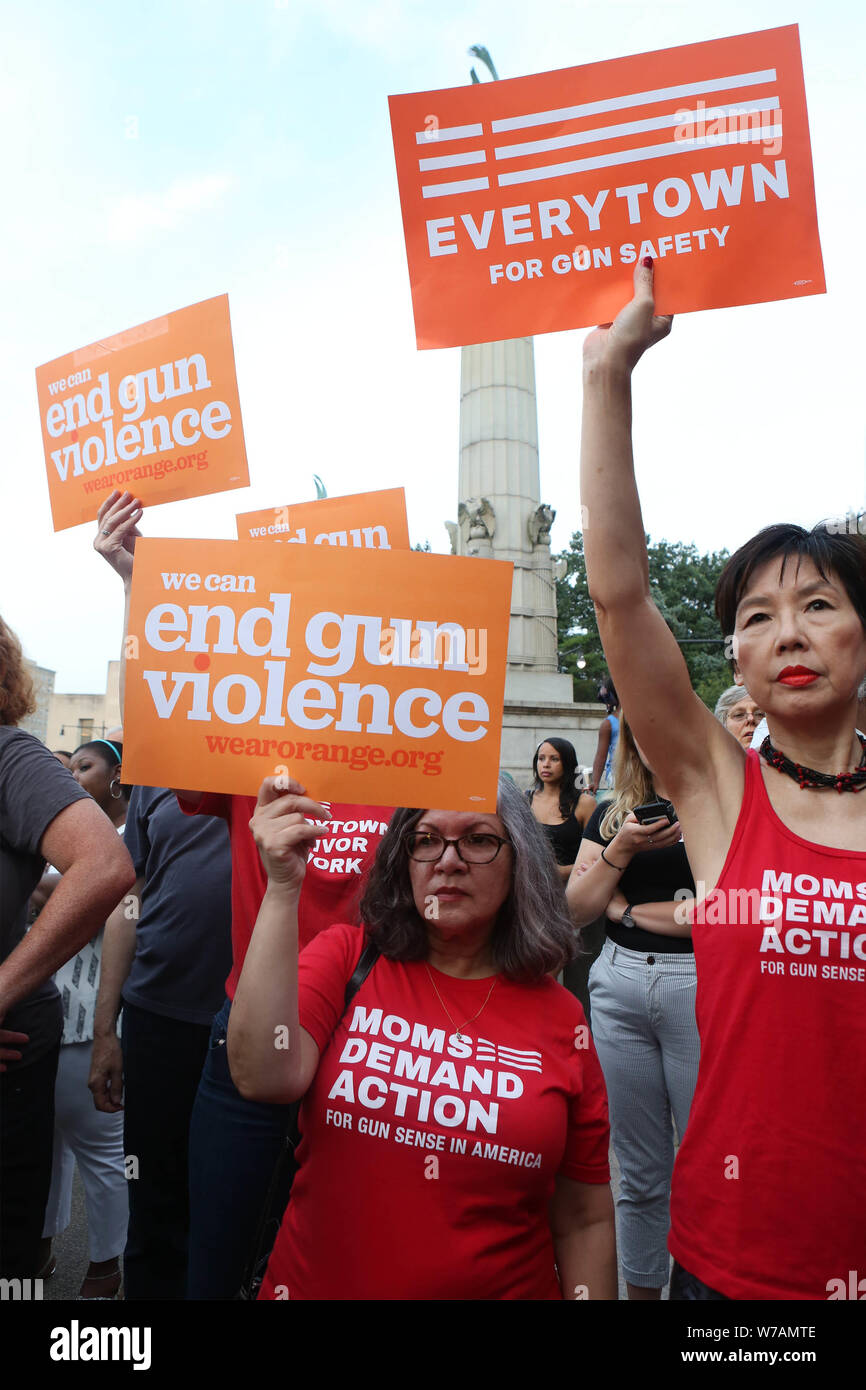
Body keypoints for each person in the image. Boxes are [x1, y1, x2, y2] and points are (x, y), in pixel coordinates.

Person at [579, 257, 866, 1300]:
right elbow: (616, 596)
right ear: (732, 661)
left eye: (819, 605)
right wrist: (608, 380)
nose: (786, 633)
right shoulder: (714, 787)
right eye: (754, 617)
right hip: (731, 1259)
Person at [93, 488, 393, 1299]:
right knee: (214, 1255)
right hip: (252, 1029)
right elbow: (161, 719)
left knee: (346, 1252)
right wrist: (138, 584)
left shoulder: (415, 754)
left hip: (377, 1038)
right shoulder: (251, 741)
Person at [227, 773, 616, 1301]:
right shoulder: (346, 957)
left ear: (519, 861)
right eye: (426, 840)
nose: (448, 860)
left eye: (479, 840)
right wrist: (281, 888)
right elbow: (260, 1075)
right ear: (402, 861)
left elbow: (584, 1219)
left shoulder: (563, 1018)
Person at [0, 617, 134, 1278]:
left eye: (86, 766)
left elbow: (108, 875)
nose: (75, 774)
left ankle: (94, 1271)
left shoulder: (10, 759)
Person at [566, 717, 697, 1300]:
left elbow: (716, 913)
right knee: (639, 1173)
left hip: (702, 985)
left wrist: (626, 909)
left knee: (706, 1162)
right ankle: (642, 1292)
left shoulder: (722, 800)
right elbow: (576, 909)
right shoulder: (614, 811)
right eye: (639, 721)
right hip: (618, 986)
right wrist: (619, 850)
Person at [88, 784, 232, 1301]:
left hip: (267, 1025)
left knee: (243, 1212)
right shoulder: (164, 764)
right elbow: (130, 896)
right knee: (154, 1204)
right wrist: (106, 1031)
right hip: (159, 1019)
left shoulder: (311, 755)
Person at [39, 740, 131, 1298]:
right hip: (45, 1012)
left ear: (118, 777)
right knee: (44, 1143)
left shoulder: (127, 844)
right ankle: (41, 1247)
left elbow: (115, 908)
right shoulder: (61, 842)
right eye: (69, 767)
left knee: (102, 1154)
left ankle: (105, 1265)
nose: (73, 776)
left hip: (95, 1018)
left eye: (86, 766)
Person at [527, 737, 597, 879]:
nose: (546, 764)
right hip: (529, 886)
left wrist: (562, 872)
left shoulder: (585, 803)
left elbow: (596, 857)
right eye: (541, 759)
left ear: (568, 763)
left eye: (554, 759)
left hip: (571, 888)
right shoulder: (525, 799)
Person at [590, 679, 620, 794]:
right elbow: (600, 756)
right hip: (617, 775)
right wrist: (595, 781)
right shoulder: (608, 724)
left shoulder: (639, 719)